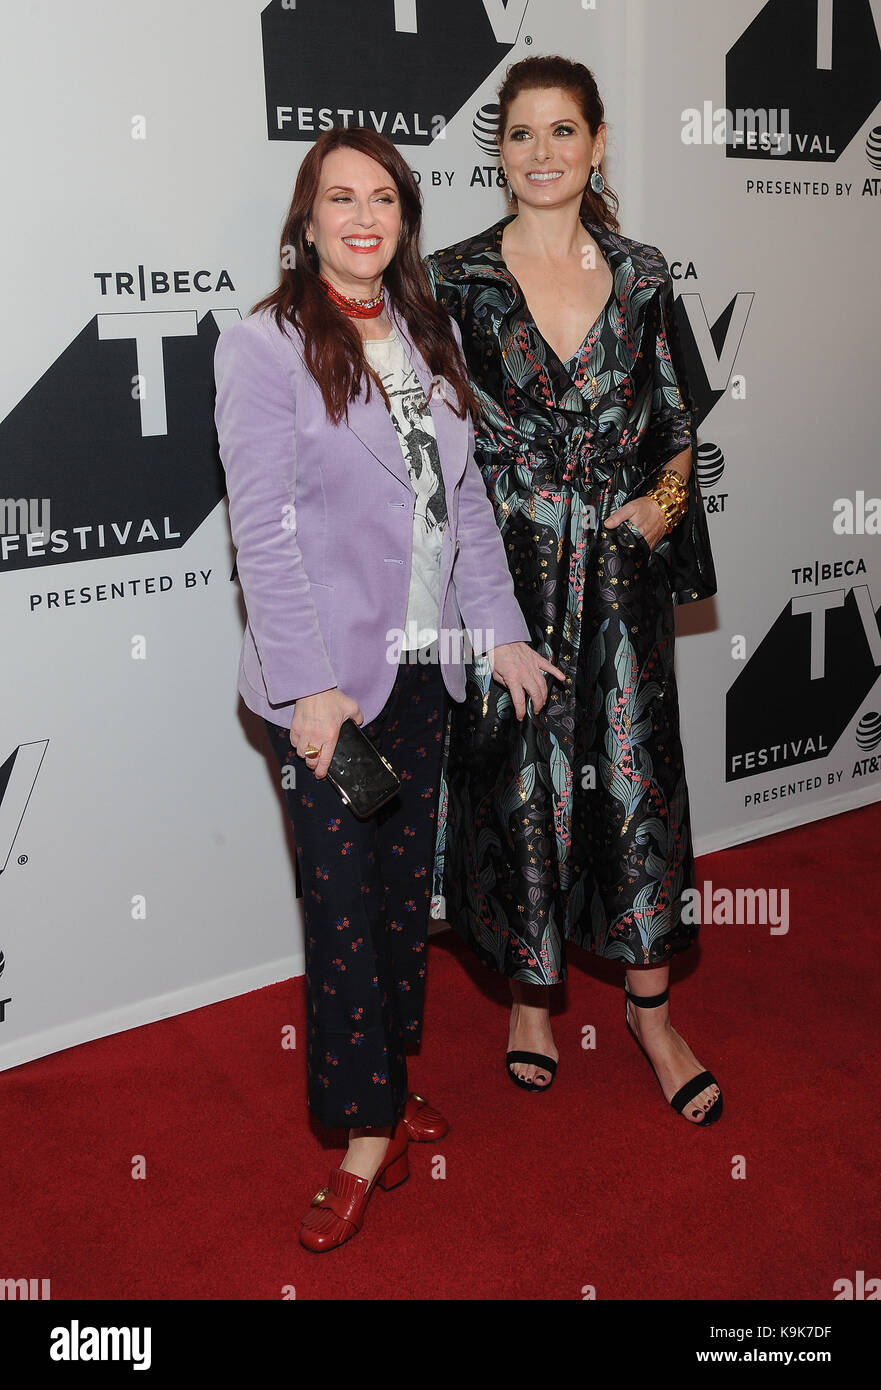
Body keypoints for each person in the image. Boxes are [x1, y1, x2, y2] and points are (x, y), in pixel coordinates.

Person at [214, 126, 561, 1252]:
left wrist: (499, 634)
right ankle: (365, 1131)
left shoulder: (427, 332)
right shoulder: (263, 345)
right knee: (344, 909)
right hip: (332, 692)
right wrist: (311, 689)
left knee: (403, 897)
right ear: (304, 218)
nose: (363, 218)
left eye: (384, 200)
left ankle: (393, 1076)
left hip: (423, 669)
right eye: (339, 198)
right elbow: (261, 538)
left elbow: (461, 508)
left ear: (403, 221)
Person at [424, 56, 722, 1124]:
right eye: (518, 134)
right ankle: (528, 1000)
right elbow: (428, 444)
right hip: (506, 573)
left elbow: (678, 423)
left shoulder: (642, 273)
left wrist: (660, 505)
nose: (540, 152)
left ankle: (650, 1012)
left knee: (631, 779)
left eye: (562, 131)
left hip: (621, 577)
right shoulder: (451, 277)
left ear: (597, 144)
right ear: (497, 152)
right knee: (519, 782)